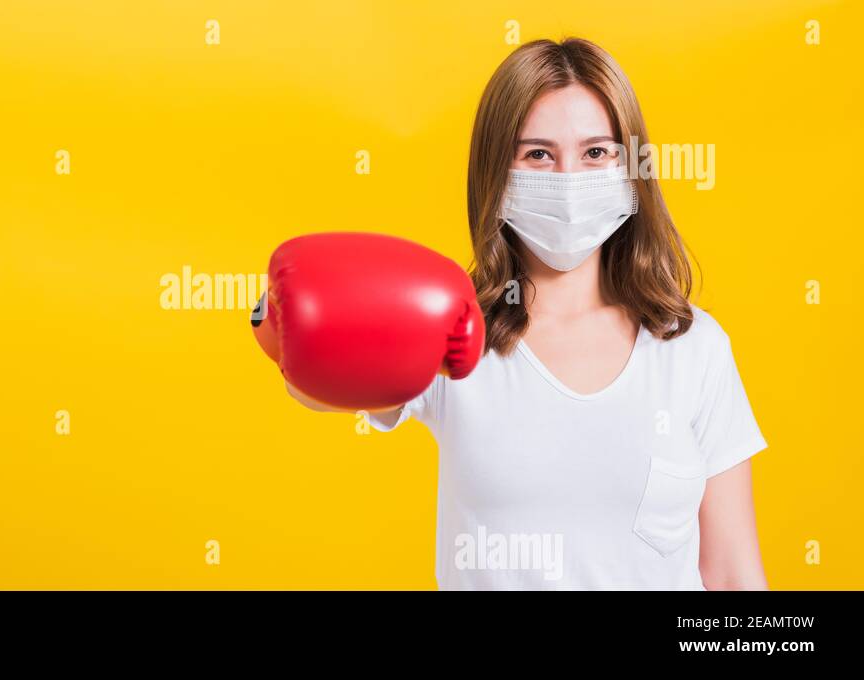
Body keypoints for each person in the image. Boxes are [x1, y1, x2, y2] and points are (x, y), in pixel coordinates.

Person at [273, 38, 767, 590]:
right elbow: (316, 388)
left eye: (595, 153)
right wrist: (279, 328)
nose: (568, 179)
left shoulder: (692, 348)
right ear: (497, 172)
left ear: (630, 165)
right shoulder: (457, 337)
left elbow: (732, 576)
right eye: (538, 154)